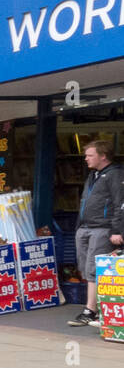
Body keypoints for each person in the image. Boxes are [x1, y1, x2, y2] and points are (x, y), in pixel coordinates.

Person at [69, 139, 124, 327]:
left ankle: (90, 310)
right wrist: (79, 226)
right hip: (85, 227)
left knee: (94, 269)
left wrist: (117, 230)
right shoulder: (94, 175)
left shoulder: (115, 175)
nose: (85, 159)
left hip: (101, 228)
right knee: (86, 268)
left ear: (103, 156)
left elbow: (120, 204)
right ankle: (99, 308)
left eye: (90, 155)